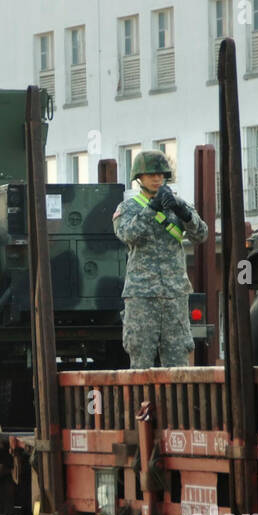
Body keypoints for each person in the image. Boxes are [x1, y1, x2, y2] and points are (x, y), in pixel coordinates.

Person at [112, 151, 208, 368]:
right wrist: (151, 209)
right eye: (151, 174)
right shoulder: (128, 208)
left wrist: (184, 213)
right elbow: (127, 234)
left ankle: (177, 403)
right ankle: (141, 403)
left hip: (174, 294)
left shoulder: (177, 203)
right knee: (140, 360)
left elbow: (201, 235)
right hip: (142, 295)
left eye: (161, 174)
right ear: (139, 177)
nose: (157, 179)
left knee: (178, 362)